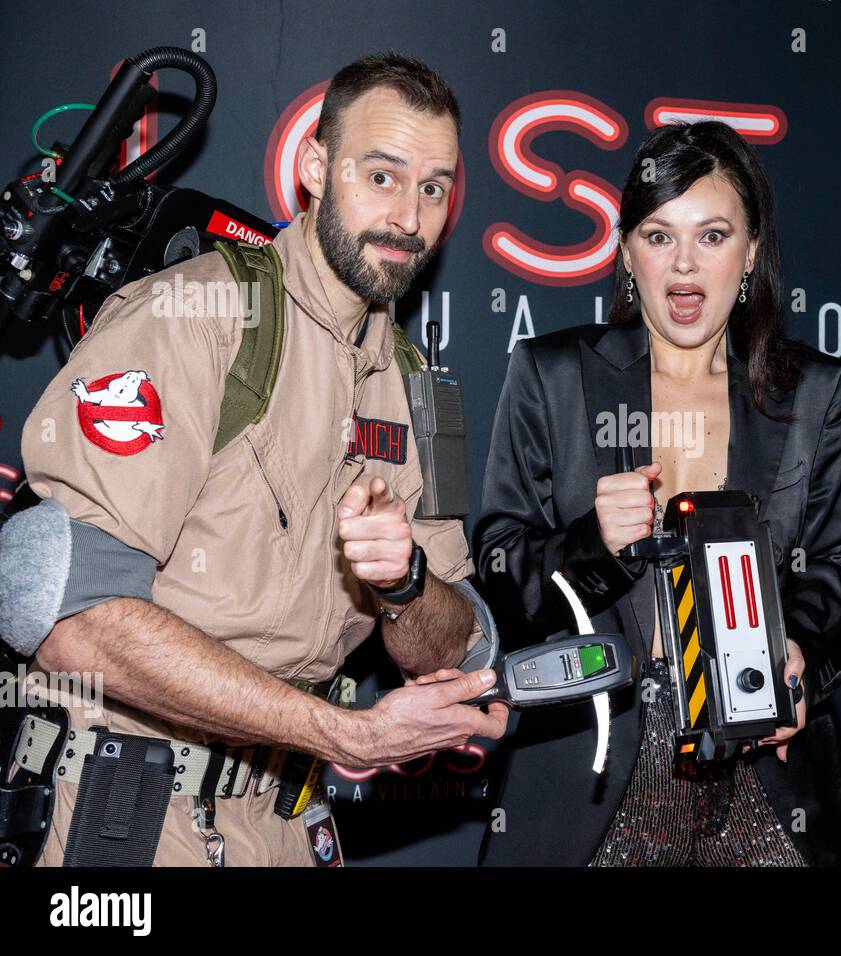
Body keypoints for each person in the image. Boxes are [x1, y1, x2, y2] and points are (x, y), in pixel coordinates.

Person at [0, 52, 507, 867]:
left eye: (434, 188)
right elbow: (65, 614)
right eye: (382, 176)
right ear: (314, 167)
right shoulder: (192, 316)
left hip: (284, 823)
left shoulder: (418, 390)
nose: (409, 217)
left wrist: (407, 584)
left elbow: (457, 644)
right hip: (120, 812)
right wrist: (344, 731)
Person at [473, 121, 841, 866]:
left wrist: (800, 654)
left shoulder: (816, 392)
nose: (684, 266)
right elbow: (500, 578)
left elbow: (840, 564)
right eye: (658, 237)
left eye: (713, 235)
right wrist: (594, 542)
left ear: (751, 251)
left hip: (768, 777)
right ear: (626, 252)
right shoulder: (553, 377)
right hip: (591, 778)